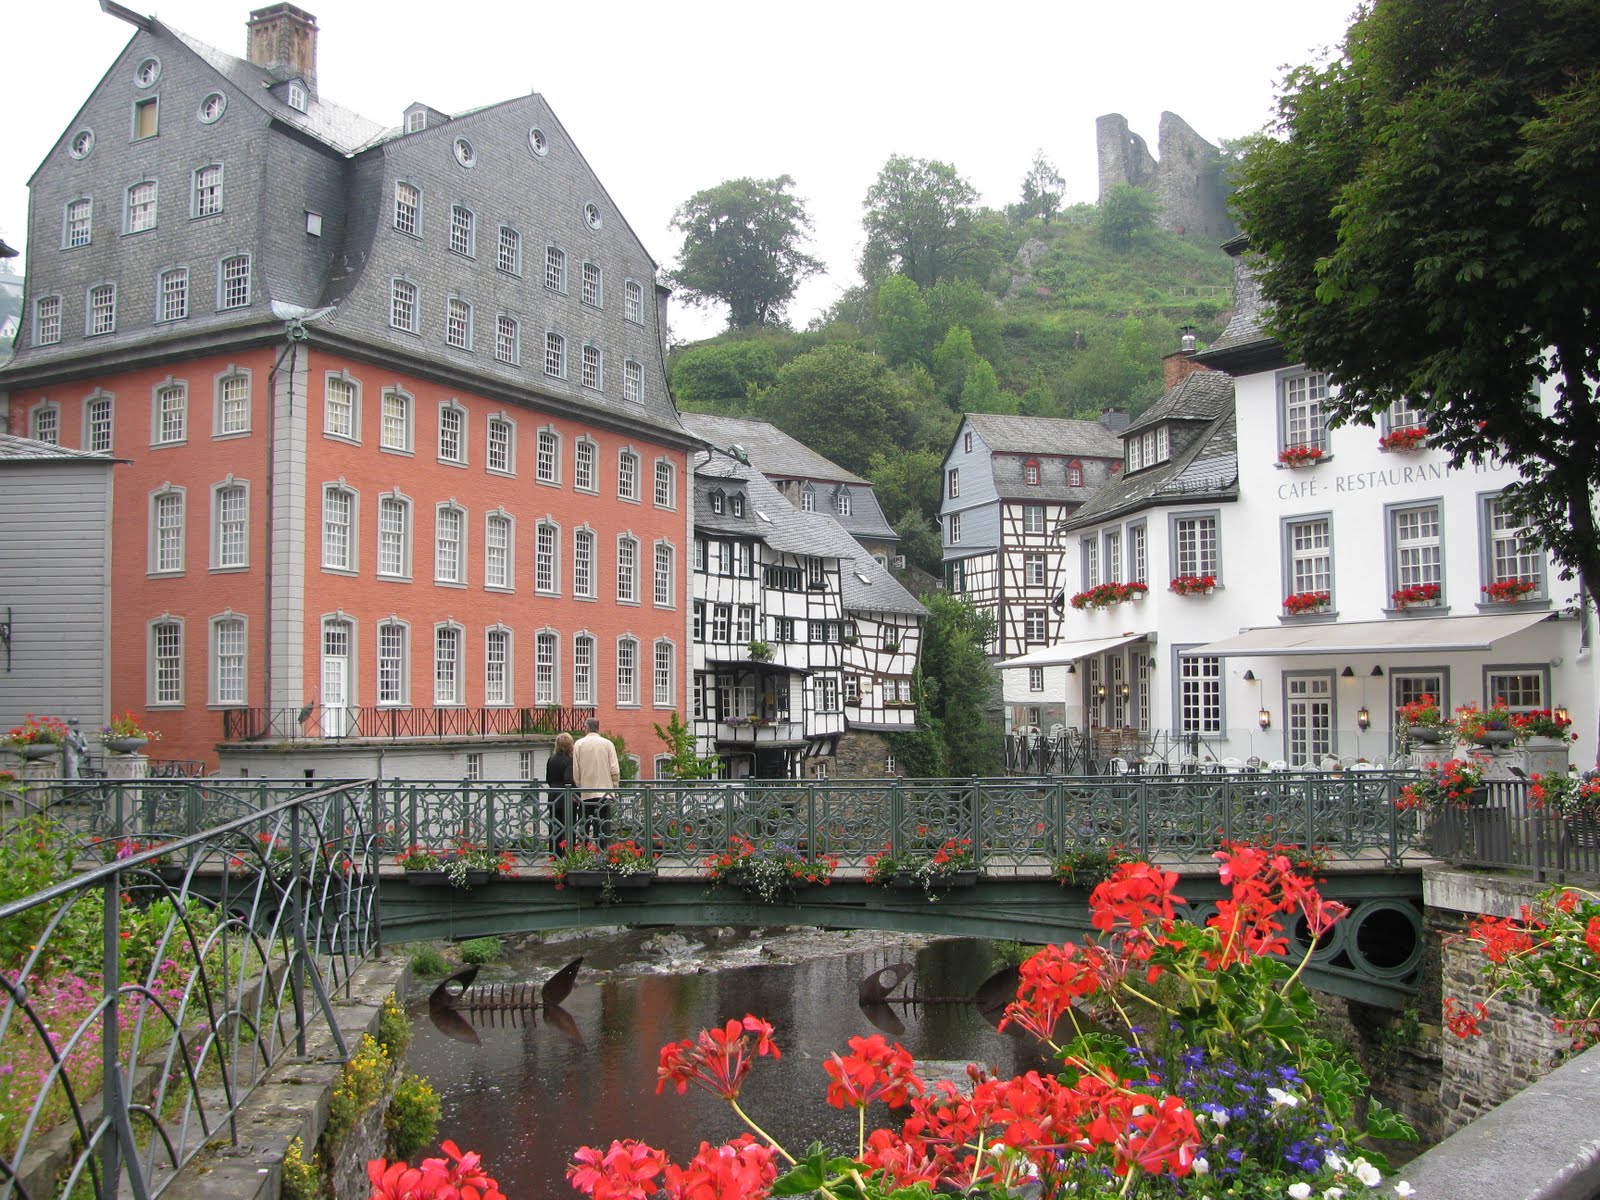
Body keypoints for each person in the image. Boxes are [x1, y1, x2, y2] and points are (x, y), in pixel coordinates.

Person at [572, 716, 620, 840]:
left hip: (586, 791)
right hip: (604, 792)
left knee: (585, 823)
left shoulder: (579, 744)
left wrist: (579, 785)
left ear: (586, 728)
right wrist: (614, 786)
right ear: (598, 729)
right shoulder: (608, 744)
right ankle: (602, 850)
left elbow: (576, 770)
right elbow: (614, 769)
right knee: (603, 823)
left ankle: (584, 850)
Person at [545, 732, 575, 853]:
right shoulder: (569, 760)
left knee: (554, 822)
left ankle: (554, 851)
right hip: (565, 795)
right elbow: (568, 779)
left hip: (553, 794)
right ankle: (568, 851)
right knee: (568, 823)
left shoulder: (551, 759)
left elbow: (548, 778)